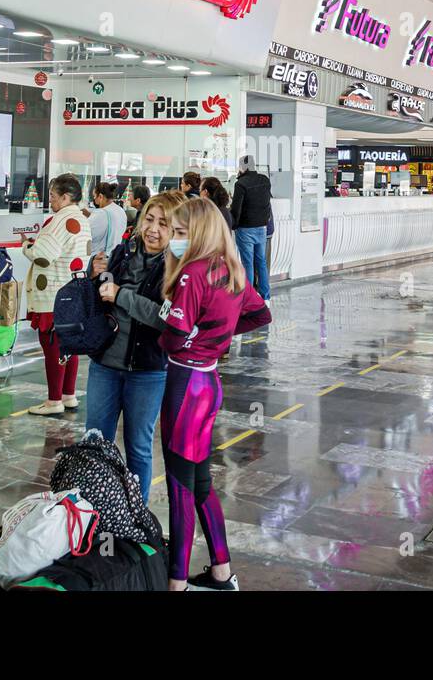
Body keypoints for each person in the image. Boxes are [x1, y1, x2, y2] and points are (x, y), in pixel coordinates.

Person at [158, 199, 271, 590]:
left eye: (179, 232)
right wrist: (216, 339)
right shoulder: (231, 270)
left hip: (185, 385)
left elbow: (173, 337)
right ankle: (221, 571)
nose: (173, 240)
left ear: (199, 233)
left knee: (179, 486)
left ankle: (176, 583)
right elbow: (261, 314)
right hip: (209, 384)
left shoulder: (192, 274)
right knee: (200, 482)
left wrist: (191, 338)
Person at [86, 191, 184, 503]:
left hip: (147, 370)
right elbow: (102, 294)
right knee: (94, 442)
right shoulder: (123, 252)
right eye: (149, 220)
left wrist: (121, 296)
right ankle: (91, 510)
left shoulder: (178, 268)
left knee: (138, 448)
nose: (153, 229)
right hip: (105, 365)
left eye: (163, 224)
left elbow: (165, 319)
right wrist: (96, 277)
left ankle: (135, 515)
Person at [23, 174, 92, 416]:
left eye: (53, 196)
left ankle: (54, 400)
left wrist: (27, 246)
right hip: (73, 293)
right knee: (68, 347)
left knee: (52, 347)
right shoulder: (81, 218)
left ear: (65, 197)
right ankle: (68, 394)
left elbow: (43, 254)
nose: (50, 200)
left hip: (54, 293)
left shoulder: (61, 220)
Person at [230, 155, 272, 300]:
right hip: (262, 227)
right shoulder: (265, 180)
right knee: (261, 262)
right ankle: (266, 297)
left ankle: (248, 298)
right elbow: (266, 203)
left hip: (246, 228)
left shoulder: (241, 184)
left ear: (243, 167)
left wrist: (233, 225)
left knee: (247, 263)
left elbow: (236, 208)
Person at [88, 182, 128, 257]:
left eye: (94, 196)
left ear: (100, 196)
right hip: (115, 256)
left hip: (99, 258)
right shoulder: (120, 211)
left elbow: (86, 233)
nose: (94, 200)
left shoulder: (100, 213)